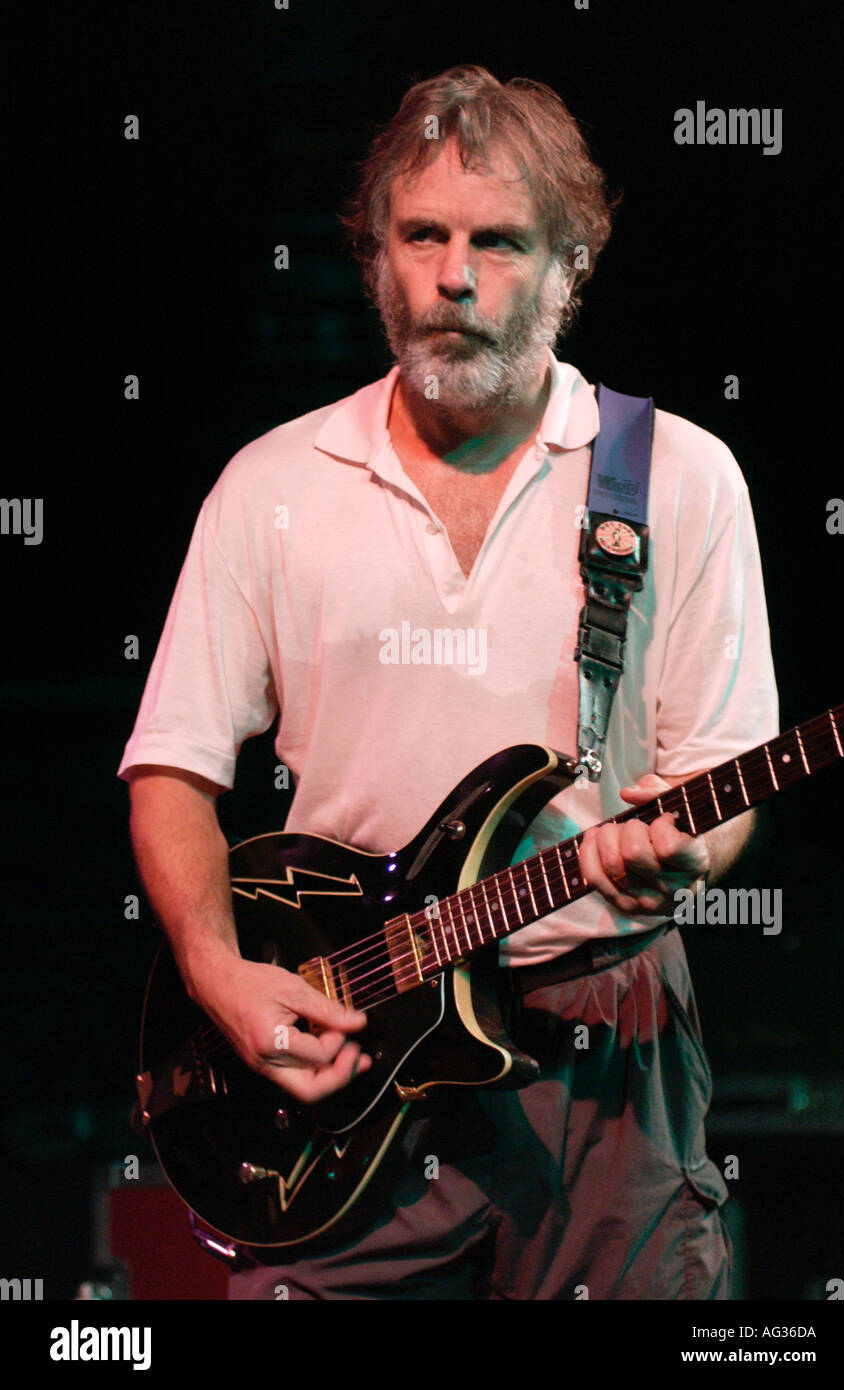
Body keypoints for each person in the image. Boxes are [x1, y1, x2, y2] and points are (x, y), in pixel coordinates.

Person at [119, 65, 778, 1300]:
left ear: (570, 269)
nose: (453, 276)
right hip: (345, 1033)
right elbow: (169, 773)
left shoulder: (679, 476)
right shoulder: (269, 487)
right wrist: (217, 972)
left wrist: (686, 849)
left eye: (498, 242)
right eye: (419, 235)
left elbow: (721, 778)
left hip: (602, 1043)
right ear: (376, 259)